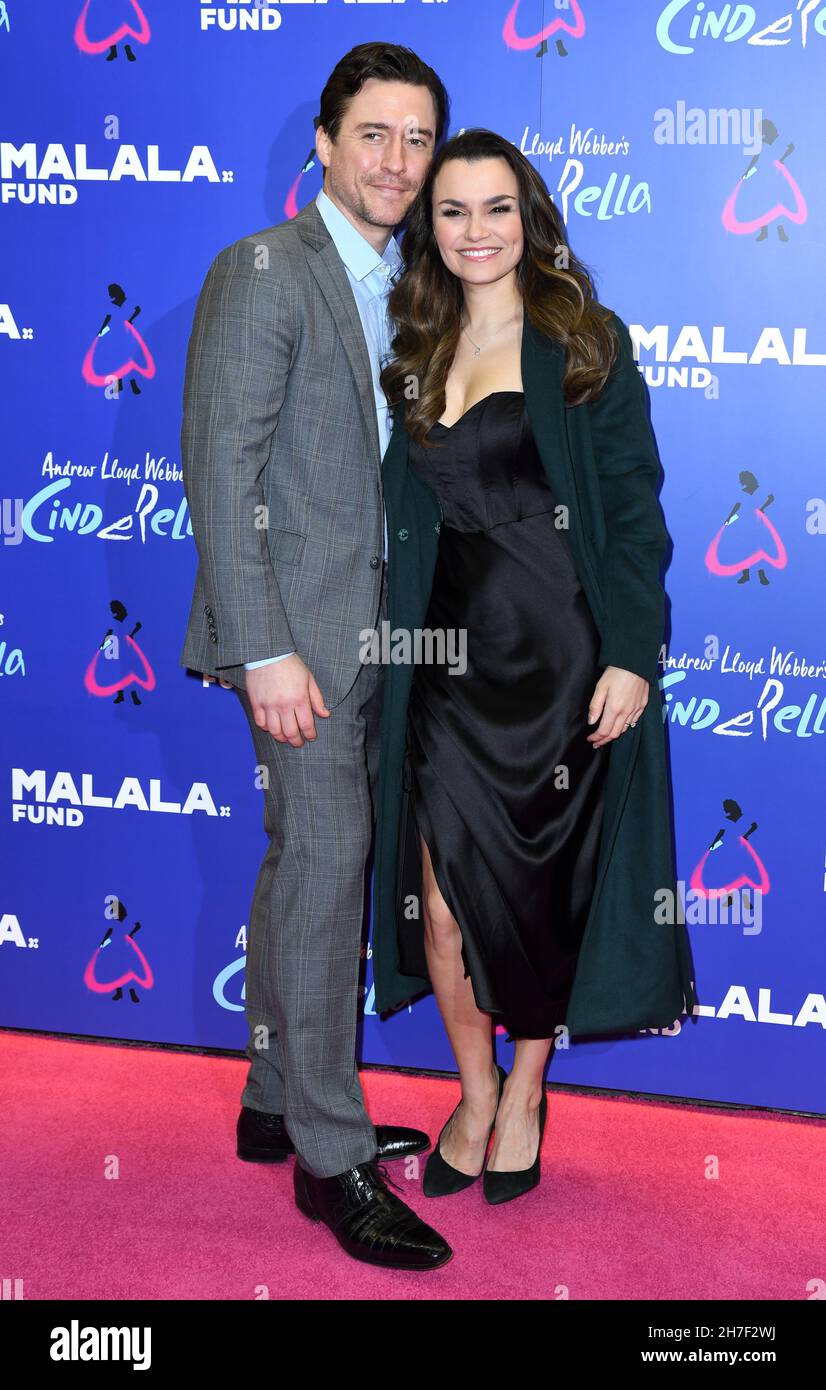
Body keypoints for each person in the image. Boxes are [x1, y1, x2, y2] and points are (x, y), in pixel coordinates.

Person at [373, 128, 697, 1206]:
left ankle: (524, 1091)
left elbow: (636, 517)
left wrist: (630, 655)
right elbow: (404, 519)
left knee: (541, 902)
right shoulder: (416, 345)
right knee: (447, 906)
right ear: (431, 226)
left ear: (530, 216)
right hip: (448, 671)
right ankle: (471, 1089)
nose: (475, 231)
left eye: (496, 208)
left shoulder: (583, 341)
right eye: (453, 211)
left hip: (562, 666)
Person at [179, 43, 455, 1271]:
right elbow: (221, 473)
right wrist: (266, 649)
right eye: (376, 134)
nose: (398, 161)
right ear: (325, 143)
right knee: (331, 864)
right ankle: (329, 1158)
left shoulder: (402, 282)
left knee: (306, 856)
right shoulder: (265, 270)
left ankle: (272, 1095)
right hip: (298, 642)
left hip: (377, 639)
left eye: (418, 139)